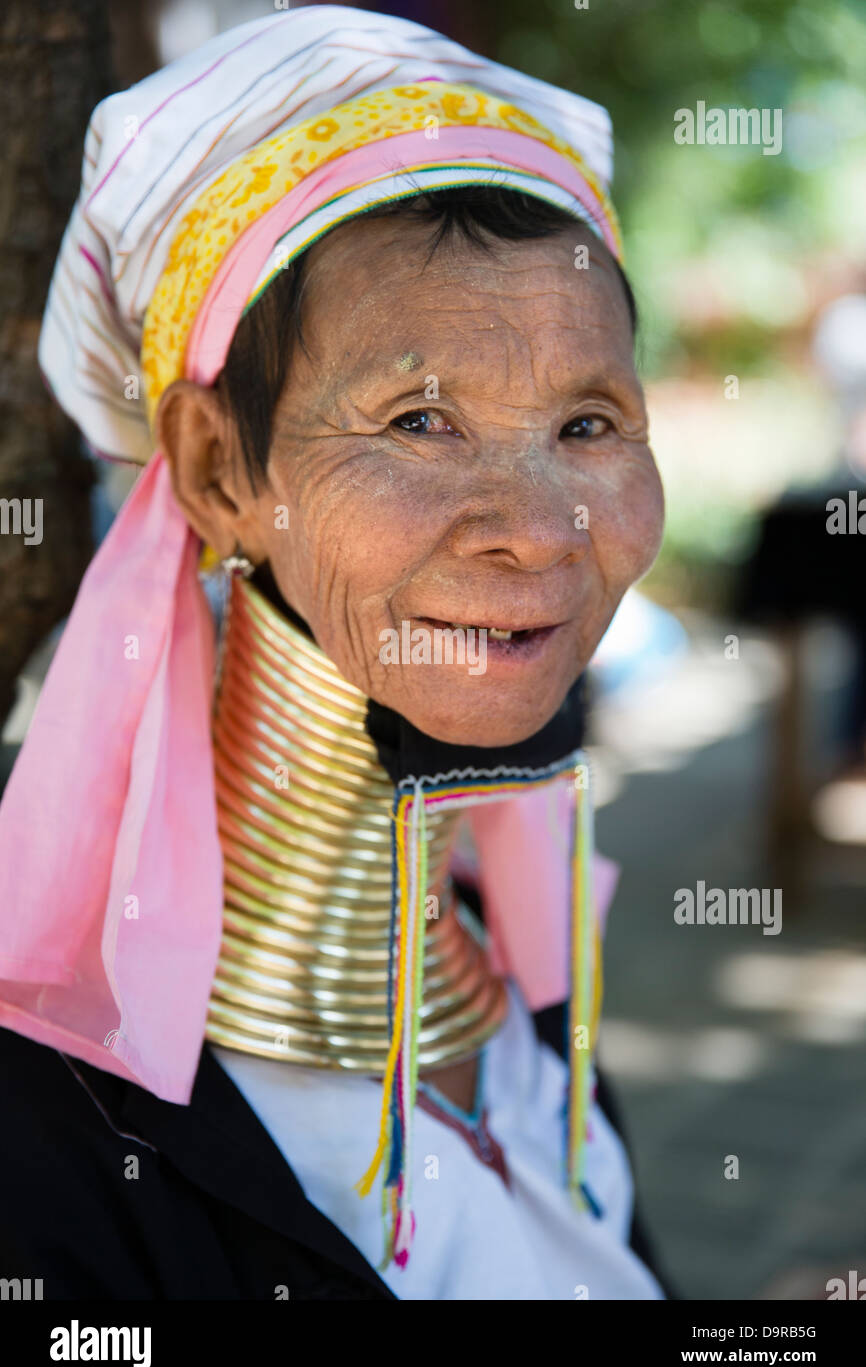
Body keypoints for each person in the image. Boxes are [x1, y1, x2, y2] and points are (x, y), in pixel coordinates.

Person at [0, 6, 671, 1300]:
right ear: (215, 466)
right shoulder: (53, 1126)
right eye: (419, 420)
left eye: (589, 422)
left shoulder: (524, 999)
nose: (541, 532)